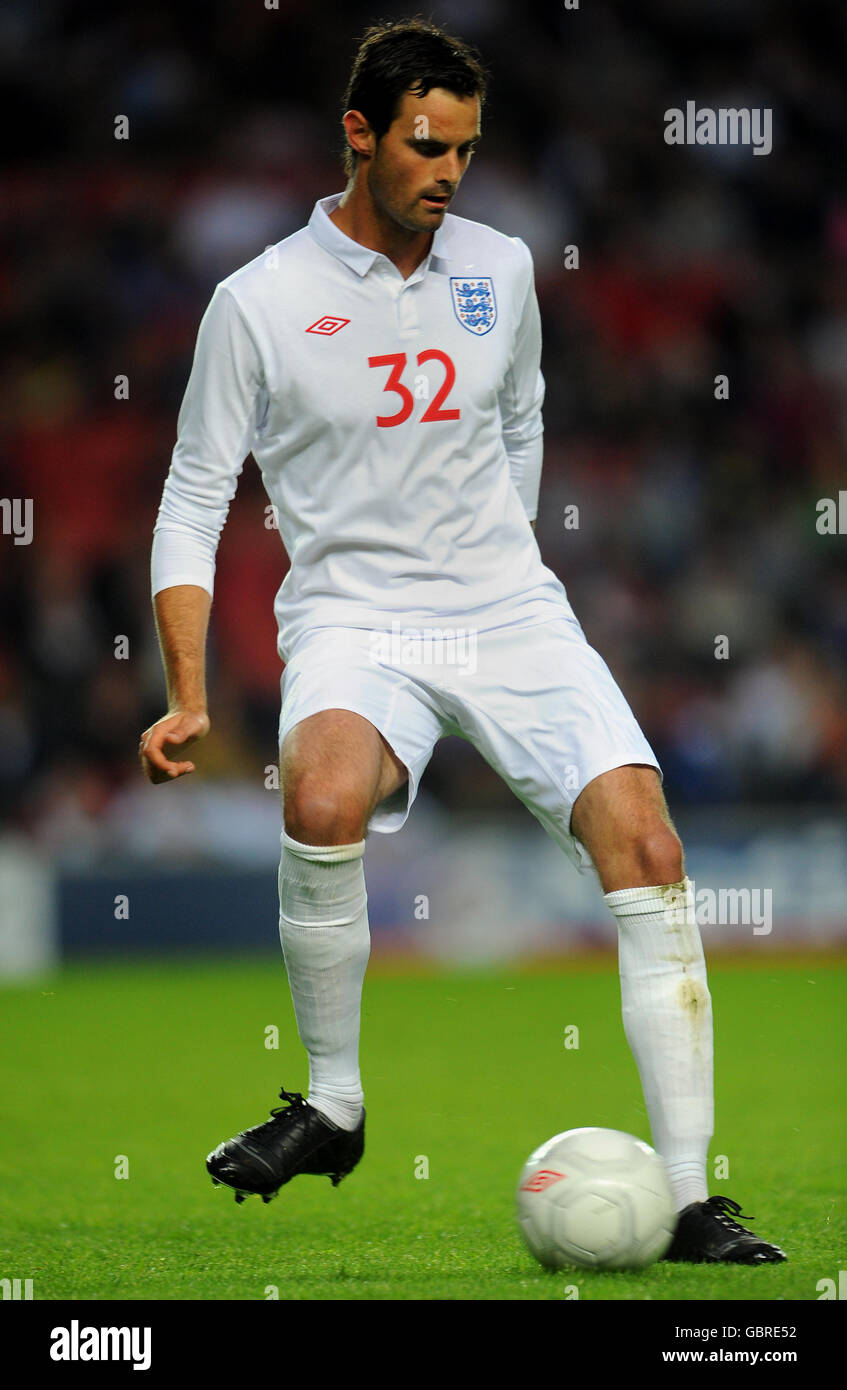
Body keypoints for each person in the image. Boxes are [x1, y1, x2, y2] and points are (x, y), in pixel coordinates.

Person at [140, 18, 784, 1264]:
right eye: (425, 146)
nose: (446, 172)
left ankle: (696, 1195)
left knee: (647, 842)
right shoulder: (258, 301)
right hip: (350, 617)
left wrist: (497, 562)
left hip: (505, 607)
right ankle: (333, 1102)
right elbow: (189, 498)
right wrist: (184, 692)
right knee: (319, 801)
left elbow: (522, 419)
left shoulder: (501, 267)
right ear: (359, 133)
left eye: (466, 151)